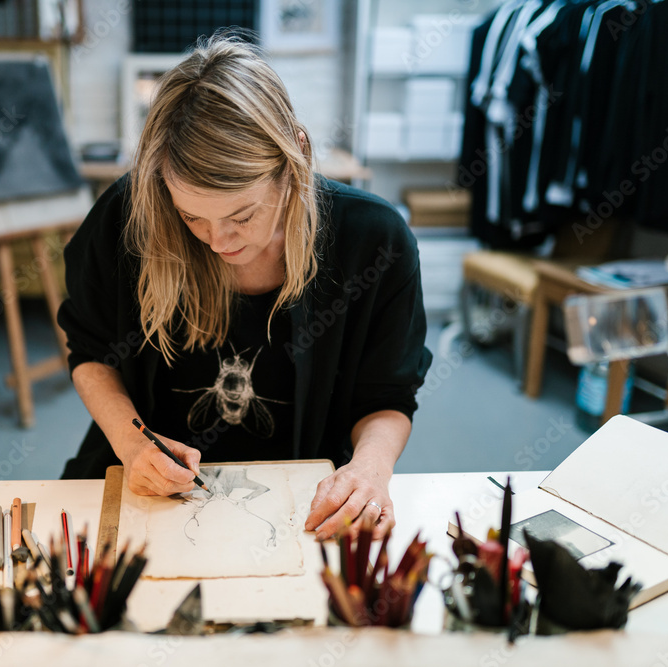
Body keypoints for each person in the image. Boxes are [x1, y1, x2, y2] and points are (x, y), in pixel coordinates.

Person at [57, 36, 432, 540]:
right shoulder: (131, 217)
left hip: (303, 499)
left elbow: (387, 392)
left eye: (243, 215)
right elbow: (90, 350)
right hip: (147, 490)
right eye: (191, 217)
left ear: (294, 158)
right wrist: (132, 444)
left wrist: (371, 468)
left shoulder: (374, 242)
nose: (217, 241)